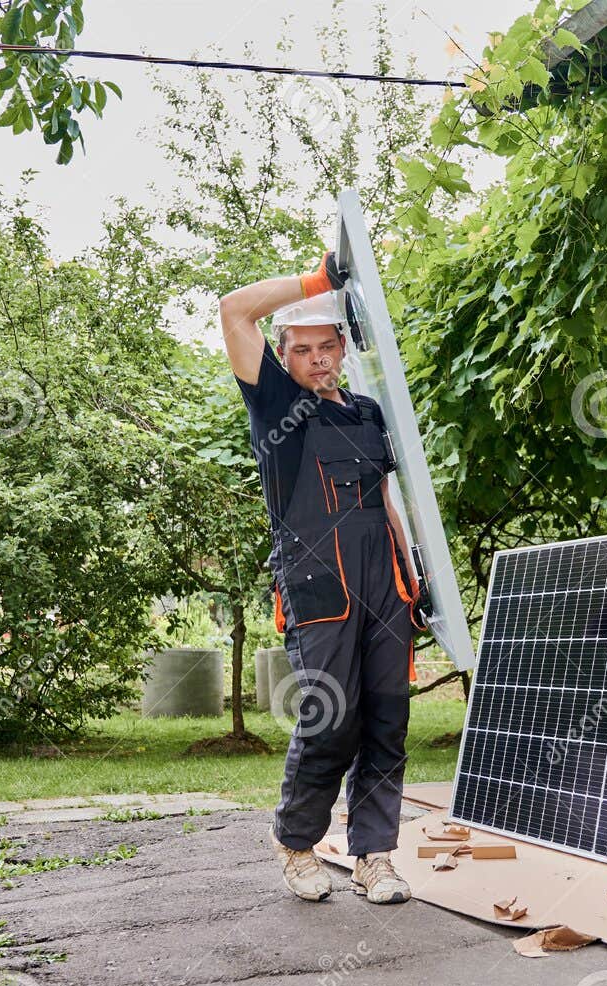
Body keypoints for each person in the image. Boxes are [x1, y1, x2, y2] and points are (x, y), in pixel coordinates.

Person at [218, 251, 424, 904]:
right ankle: (298, 841)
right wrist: (317, 281)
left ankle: (374, 858)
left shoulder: (367, 412)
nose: (315, 359)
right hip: (320, 586)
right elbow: (232, 309)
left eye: (324, 346)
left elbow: (387, 502)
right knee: (331, 722)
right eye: (300, 349)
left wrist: (412, 581)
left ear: (341, 348)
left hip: (384, 585)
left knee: (386, 722)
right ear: (283, 355)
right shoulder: (276, 406)